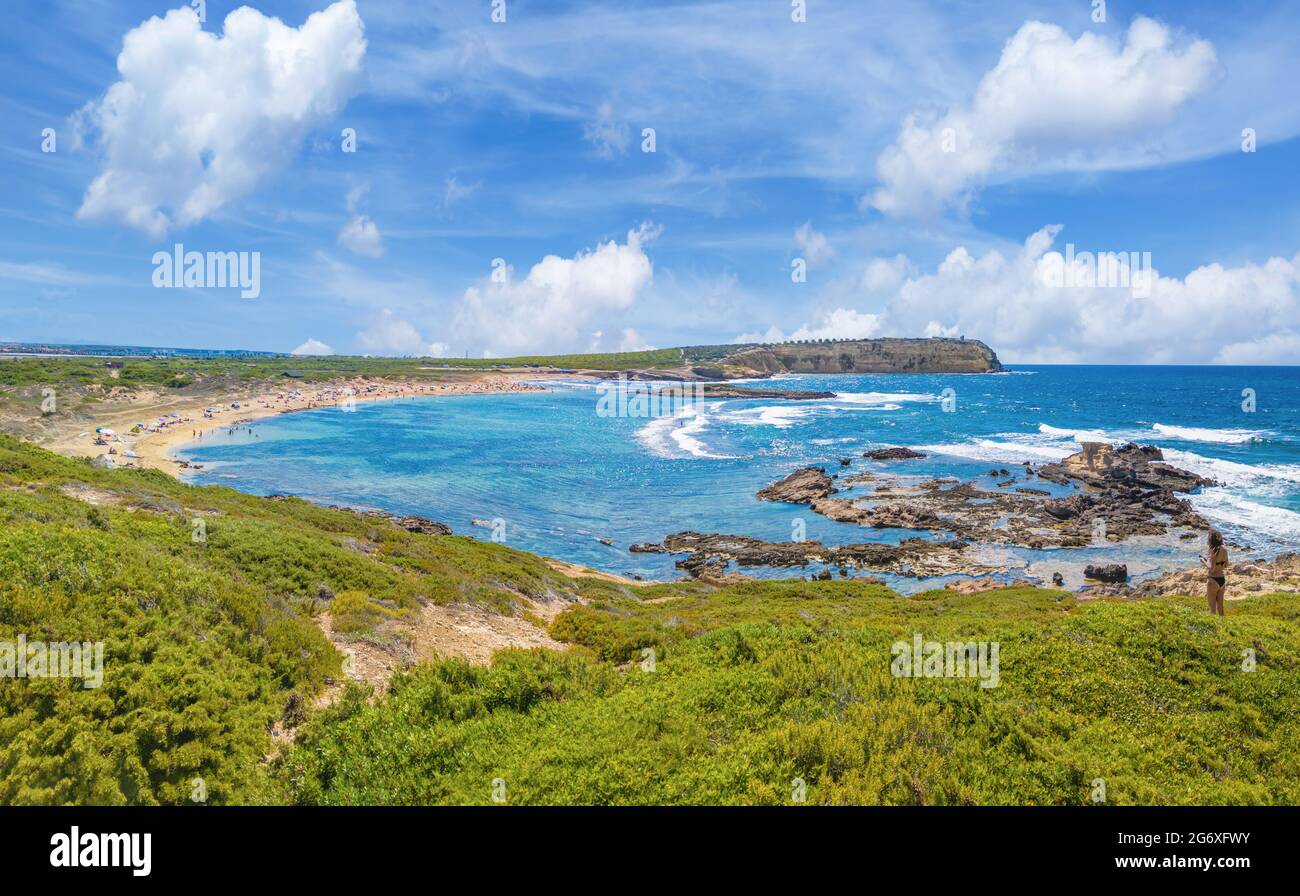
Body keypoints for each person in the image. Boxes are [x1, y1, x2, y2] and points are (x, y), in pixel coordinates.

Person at [1202, 529, 1229, 616]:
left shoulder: (1212, 551)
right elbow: (1226, 565)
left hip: (1213, 580)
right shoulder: (1224, 550)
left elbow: (1211, 568)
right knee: (1220, 608)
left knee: (1212, 609)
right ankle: (1225, 627)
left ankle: (1215, 629)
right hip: (1222, 580)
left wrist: (1203, 561)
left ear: (1211, 540)